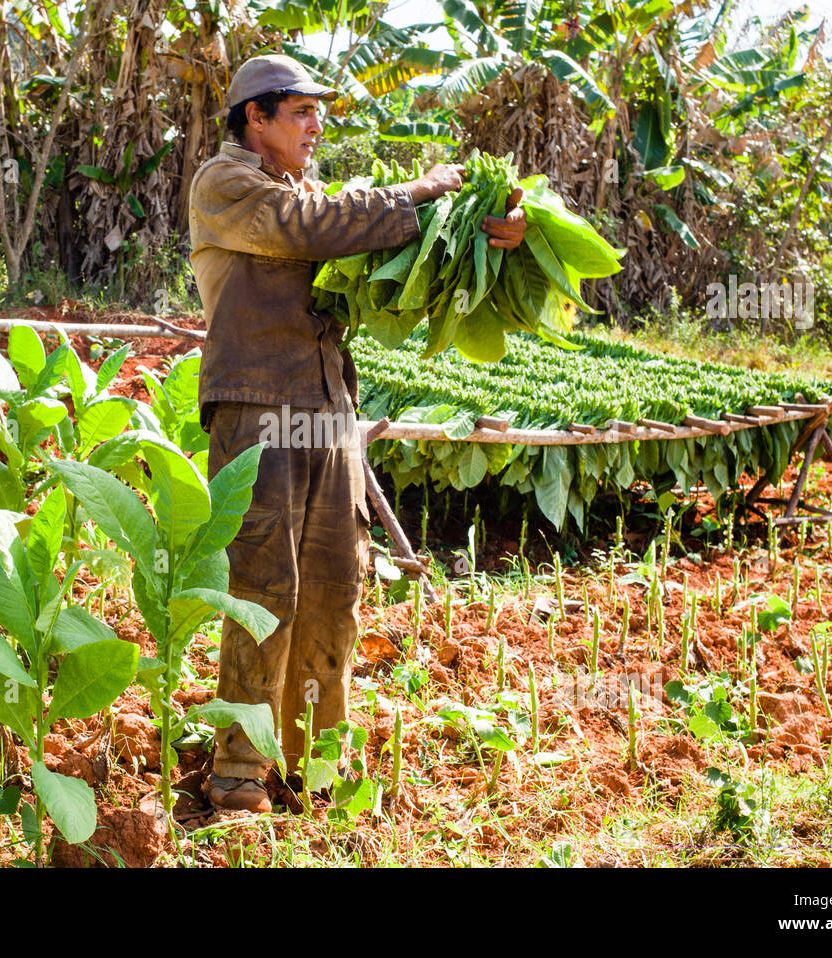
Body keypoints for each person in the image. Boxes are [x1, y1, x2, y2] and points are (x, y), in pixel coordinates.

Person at [187, 54, 527, 812]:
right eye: (302, 112)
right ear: (256, 117)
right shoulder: (226, 183)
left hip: (328, 409)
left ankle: (312, 766)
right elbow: (312, 228)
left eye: (320, 111)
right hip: (257, 407)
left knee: (337, 589)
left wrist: (487, 218)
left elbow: (359, 222)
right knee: (262, 590)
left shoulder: (307, 187)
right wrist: (417, 192)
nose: (318, 125)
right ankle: (239, 774)